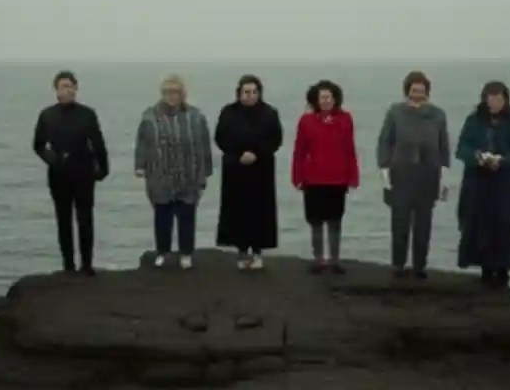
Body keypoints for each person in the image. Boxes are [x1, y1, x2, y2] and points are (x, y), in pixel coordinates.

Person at [455, 81, 510, 289]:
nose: (495, 103)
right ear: (485, 99)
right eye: (491, 99)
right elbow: (462, 147)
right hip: (478, 182)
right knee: (480, 225)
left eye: (499, 99)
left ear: (505, 99)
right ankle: (485, 270)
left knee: (505, 225)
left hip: (506, 184)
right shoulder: (474, 121)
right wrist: (477, 157)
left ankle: (503, 270)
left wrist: (503, 161)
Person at [32, 70, 109, 275]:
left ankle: (86, 265)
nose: (67, 90)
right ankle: (68, 265)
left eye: (70, 86)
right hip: (59, 174)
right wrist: (53, 160)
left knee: (85, 220)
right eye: (63, 87)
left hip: (84, 172)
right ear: (56, 91)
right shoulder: (47, 115)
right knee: (63, 220)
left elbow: (99, 143)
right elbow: (38, 145)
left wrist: (103, 169)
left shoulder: (87, 114)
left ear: (76, 88)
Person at [377, 71, 451, 279]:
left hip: (428, 175)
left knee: (423, 224)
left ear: (427, 92)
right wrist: (384, 170)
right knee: (399, 222)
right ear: (407, 91)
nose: (417, 94)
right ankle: (398, 265)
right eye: (413, 90)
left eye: (421, 90)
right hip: (401, 173)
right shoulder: (395, 112)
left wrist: (444, 177)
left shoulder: (438, 115)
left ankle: (420, 266)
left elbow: (443, 146)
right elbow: (384, 141)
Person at [134, 74, 213, 270]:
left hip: (189, 174)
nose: (171, 96)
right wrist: (140, 165)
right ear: (162, 94)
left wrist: (205, 171)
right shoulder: (150, 116)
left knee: (187, 215)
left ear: (182, 94)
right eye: (168, 92)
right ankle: (162, 252)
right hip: (160, 174)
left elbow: (204, 144)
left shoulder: (196, 116)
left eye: (175, 92)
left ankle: (186, 253)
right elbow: (142, 142)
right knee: (162, 215)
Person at [215, 75, 283, 270]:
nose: (250, 96)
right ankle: (242, 252)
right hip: (235, 169)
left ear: (259, 93)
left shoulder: (269, 113)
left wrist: (256, 153)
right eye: (246, 92)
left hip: (261, 170)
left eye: (254, 92)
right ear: (239, 93)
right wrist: (238, 154)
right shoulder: (228, 113)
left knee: (260, 212)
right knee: (237, 211)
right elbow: (220, 137)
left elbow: (275, 139)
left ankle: (258, 252)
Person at [291, 79, 359, 274]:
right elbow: (299, 151)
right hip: (313, 179)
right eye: (322, 97)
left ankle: (335, 260)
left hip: (337, 179)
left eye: (329, 97)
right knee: (315, 221)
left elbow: (349, 149)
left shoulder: (345, 119)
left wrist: (353, 176)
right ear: (315, 99)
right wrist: (297, 176)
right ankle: (319, 259)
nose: (326, 100)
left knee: (335, 221)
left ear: (335, 98)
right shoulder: (306, 121)